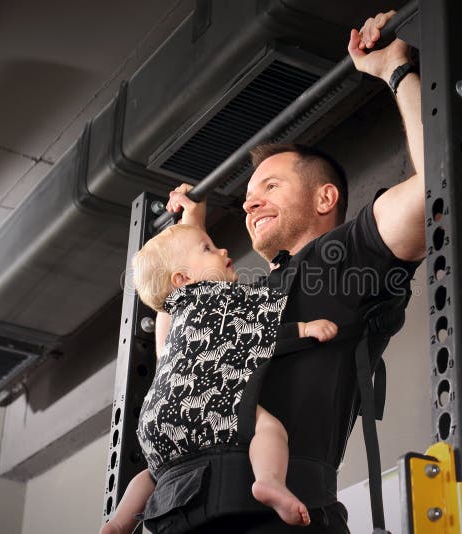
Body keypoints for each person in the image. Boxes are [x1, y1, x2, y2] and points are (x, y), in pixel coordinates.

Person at [141, 10, 426, 534]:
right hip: (177, 514)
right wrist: (189, 236)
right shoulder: (235, 293)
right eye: (248, 199)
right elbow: (173, 359)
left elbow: (437, 187)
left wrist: (396, 71)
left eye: (270, 187)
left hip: (278, 517)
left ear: (325, 197)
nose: (251, 205)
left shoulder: (347, 257)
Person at [100, 185, 339, 534]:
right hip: (207, 403)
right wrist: (303, 328)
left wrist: (193, 220)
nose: (223, 248)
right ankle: (269, 481)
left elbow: (185, 259)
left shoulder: (177, 313)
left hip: (156, 419)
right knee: (269, 428)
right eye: (209, 248)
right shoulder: (218, 298)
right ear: (183, 279)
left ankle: (120, 521)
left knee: (155, 471)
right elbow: (254, 332)